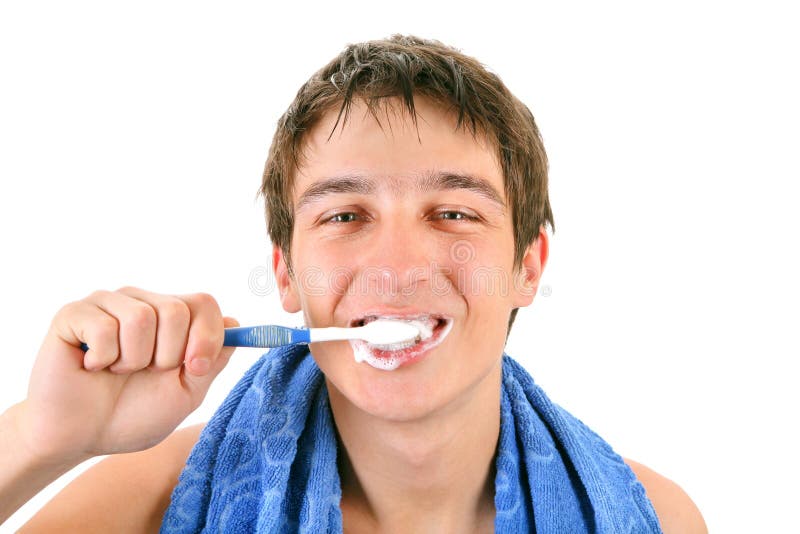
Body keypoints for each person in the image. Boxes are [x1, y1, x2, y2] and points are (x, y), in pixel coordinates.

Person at [0, 35, 706, 532]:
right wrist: (38, 438)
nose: (398, 265)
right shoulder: (144, 508)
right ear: (285, 270)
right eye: (344, 215)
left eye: (454, 213)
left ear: (529, 265)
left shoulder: (658, 520)